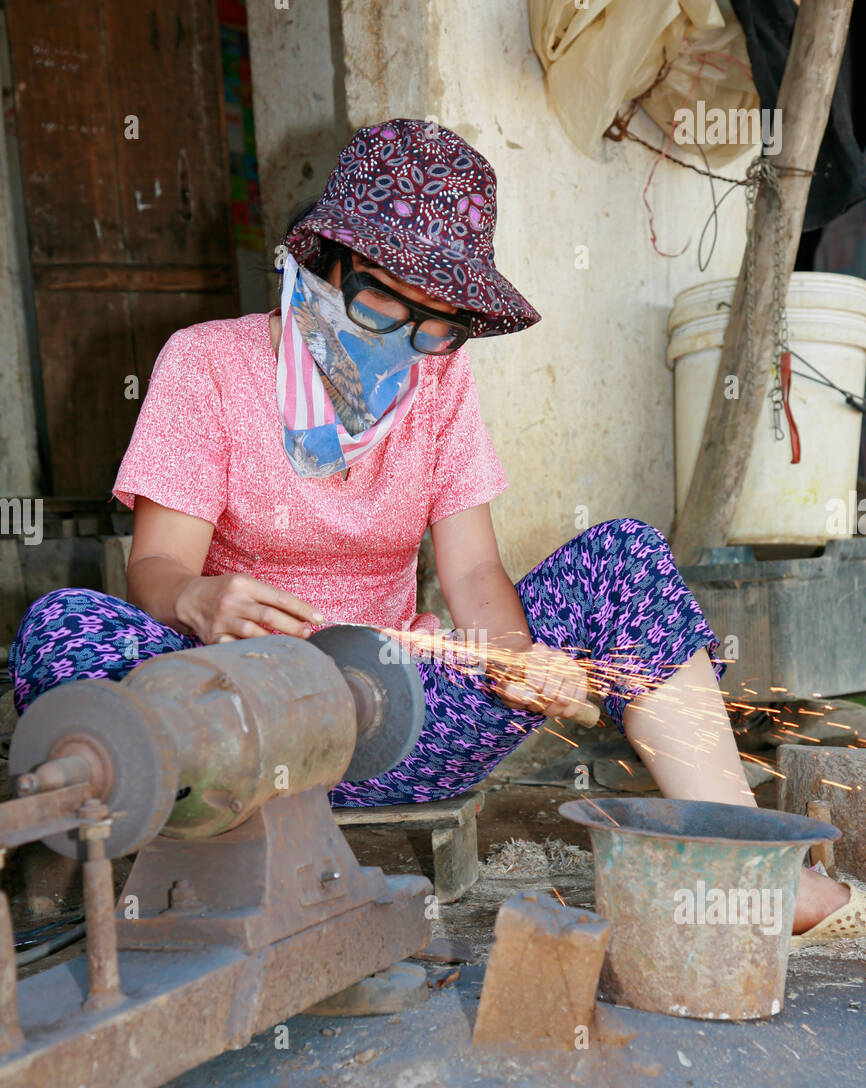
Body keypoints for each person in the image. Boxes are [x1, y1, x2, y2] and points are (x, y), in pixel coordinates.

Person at [9, 119, 859, 942]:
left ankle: (751, 871)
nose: (408, 342)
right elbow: (155, 569)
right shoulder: (208, 365)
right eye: (382, 298)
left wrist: (519, 661)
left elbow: (477, 578)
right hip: (229, 731)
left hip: (392, 724)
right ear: (322, 263)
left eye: (437, 323)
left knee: (626, 558)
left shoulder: (440, 384)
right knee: (61, 630)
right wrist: (197, 599)